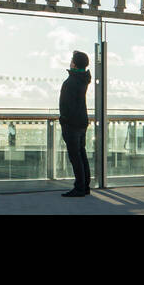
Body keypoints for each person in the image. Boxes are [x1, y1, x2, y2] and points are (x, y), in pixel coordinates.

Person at [58, 50, 92, 197]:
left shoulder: (72, 81)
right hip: (81, 122)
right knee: (82, 155)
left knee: (75, 157)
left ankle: (79, 188)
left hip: (71, 124)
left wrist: (64, 120)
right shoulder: (82, 79)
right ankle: (85, 187)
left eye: (72, 59)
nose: (70, 61)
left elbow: (67, 105)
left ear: (74, 63)